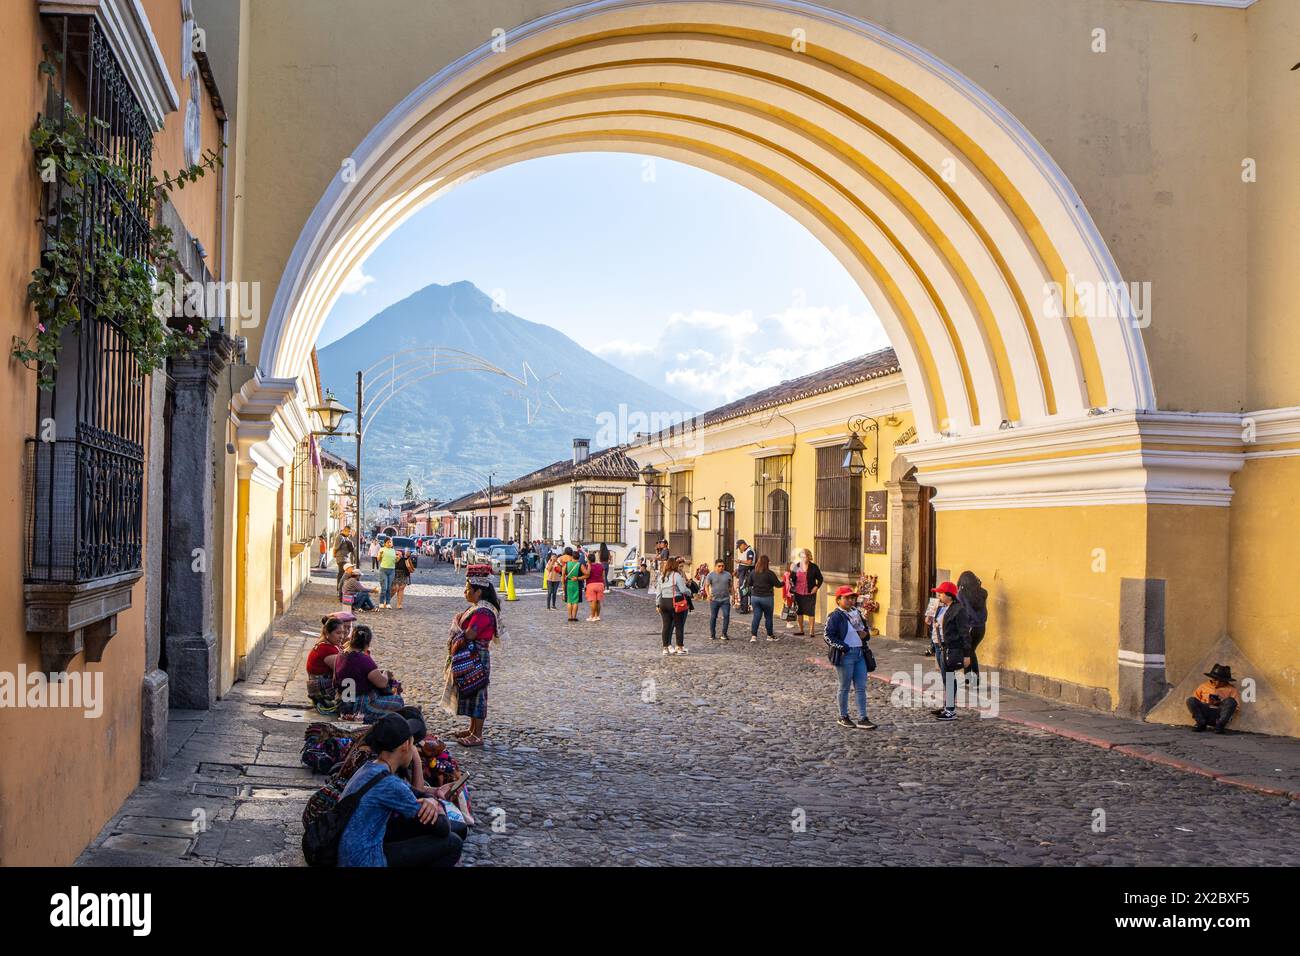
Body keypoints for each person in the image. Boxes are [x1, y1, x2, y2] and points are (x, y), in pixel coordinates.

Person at [336, 713, 463, 868]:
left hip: (354, 849)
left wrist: (432, 797)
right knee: (453, 842)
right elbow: (443, 828)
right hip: (366, 860)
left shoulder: (370, 768)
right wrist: (438, 806)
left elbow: (414, 792)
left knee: (458, 827)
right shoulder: (390, 784)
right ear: (405, 745)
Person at [442, 572, 504, 747]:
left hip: (476, 655)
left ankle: (477, 735)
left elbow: (470, 633)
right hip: (472, 653)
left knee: (478, 694)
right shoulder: (478, 609)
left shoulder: (483, 612)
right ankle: (471, 730)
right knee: (471, 690)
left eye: (468, 589)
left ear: (479, 592)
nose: (465, 592)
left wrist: (457, 634)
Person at [825, 585, 875, 729]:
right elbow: (828, 636)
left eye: (851, 598)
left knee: (861, 687)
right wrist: (843, 647)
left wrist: (865, 635)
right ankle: (843, 715)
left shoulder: (857, 613)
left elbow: (865, 631)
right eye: (846, 598)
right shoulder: (835, 616)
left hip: (859, 653)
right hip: (845, 655)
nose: (850, 600)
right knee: (844, 687)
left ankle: (863, 717)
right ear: (838, 600)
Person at [334, 624, 404, 721]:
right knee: (398, 702)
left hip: (343, 702)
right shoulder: (364, 659)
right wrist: (386, 673)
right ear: (367, 643)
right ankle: (365, 718)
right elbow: (382, 683)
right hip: (358, 704)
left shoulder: (341, 655)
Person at [932, 581, 971, 721]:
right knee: (944, 677)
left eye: (941, 593)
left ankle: (950, 710)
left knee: (949, 677)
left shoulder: (959, 610)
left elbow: (964, 633)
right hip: (940, 646)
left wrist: (967, 654)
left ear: (949, 595)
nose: (939, 595)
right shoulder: (943, 607)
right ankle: (946, 706)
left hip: (952, 648)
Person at [306, 613, 353, 711]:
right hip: (320, 689)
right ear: (327, 632)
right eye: (338, 633)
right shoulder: (326, 648)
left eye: (343, 633)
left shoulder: (329, 644)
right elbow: (344, 668)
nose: (342, 636)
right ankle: (346, 710)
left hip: (320, 685)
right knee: (350, 680)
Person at [656, 556, 694, 655]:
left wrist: (657, 604)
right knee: (679, 625)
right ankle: (679, 647)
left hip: (663, 602)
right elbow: (683, 590)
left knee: (666, 626)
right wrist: (690, 592)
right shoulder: (676, 576)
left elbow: (658, 592)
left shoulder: (662, 577)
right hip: (675, 601)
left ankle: (665, 648)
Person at [956, 570, 988, 688]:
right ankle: (971, 679)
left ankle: (972, 679)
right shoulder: (983, 593)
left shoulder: (962, 594)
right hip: (981, 627)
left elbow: (963, 611)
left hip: (969, 627)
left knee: (968, 652)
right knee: (970, 652)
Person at [1187, 664, 1241, 734]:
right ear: (1211, 678)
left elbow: (1236, 707)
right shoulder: (1203, 686)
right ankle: (1201, 723)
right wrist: (1206, 704)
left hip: (1219, 714)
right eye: (1215, 679)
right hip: (1204, 712)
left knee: (1231, 701)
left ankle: (1219, 725)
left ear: (1226, 680)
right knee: (1191, 700)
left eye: (1221, 681)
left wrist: (1220, 703)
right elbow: (1195, 701)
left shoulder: (1232, 689)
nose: (1217, 683)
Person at [748, 554, 782, 643]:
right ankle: (769, 635)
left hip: (755, 597)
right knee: (768, 617)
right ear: (767, 563)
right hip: (767, 598)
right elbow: (778, 584)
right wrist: (785, 582)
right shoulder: (770, 573)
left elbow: (749, 583)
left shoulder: (753, 572)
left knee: (756, 617)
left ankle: (753, 636)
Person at [791, 548, 824, 637]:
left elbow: (820, 579)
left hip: (810, 592)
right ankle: (801, 630)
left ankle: (811, 631)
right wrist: (791, 586)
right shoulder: (797, 566)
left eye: (804, 557)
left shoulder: (814, 567)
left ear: (809, 557)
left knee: (811, 612)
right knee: (799, 612)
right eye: (801, 557)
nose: (803, 559)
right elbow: (791, 578)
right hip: (798, 592)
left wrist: (816, 587)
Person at [704, 560, 733, 641]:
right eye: (719, 566)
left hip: (725, 599)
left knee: (726, 615)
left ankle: (724, 634)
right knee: (713, 616)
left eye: (723, 566)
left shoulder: (728, 575)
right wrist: (708, 595)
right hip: (714, 600)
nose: (721, 568)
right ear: (715, 566)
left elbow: (731, 586)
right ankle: (712, 634)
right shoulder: (711, 575)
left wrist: (733, 596)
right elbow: (706, 586)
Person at [562, 546, 587, 623]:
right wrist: (578, 578)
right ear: (579, 557)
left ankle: (569, 617)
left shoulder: (567, 564)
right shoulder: (580, 565)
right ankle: (574, 617)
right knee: (575, 601)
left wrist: (563, 585)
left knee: (569, 601)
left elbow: (563, 575)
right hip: (577, 583)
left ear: (572, 557)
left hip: (568, 583)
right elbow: (586, 575)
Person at [334, 527, 356, 600]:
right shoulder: (340, 537)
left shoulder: (346, 538)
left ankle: (342, 591)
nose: (349, 533)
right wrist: (335, 554)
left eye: (350, 532)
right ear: (345, 531)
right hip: (341, 559)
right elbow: (336, 547)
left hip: (346, 559)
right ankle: (339, 591)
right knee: (342, 575)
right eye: (348, 532)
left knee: (344, 575)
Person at [734, 539, 756, 613]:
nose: (739, 549)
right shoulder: (745, 551)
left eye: (739, 547)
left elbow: (749, 562)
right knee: (741, 589)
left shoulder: (749, 551)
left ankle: (744, 608)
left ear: (743, 544)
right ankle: (742, 606)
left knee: (743, 589)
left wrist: (740, 561)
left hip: (746, 572)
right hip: (742, 572)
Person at [585, 552, 607, 622]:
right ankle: (597, 616)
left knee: (593, 601)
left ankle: (592, 616)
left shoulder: (588, 566)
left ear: (589, 560)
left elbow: (586, 575)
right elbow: (603, 576)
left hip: (591, 584)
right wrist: (604, 584)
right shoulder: (600, 566)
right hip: (600, 584)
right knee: (598, 601)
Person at [377, 537, 397, 609]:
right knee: (384, 587)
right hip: (383, 570)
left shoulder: (393, 550)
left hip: (392, 570)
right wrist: (380, 555)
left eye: (391, 542)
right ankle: (381, 602)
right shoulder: (382, 549)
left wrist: (398, 558)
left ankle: (388, 603)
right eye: (388, 542)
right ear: (385, 543)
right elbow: (378, 559)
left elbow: (394, 561)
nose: (389, 543)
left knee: (389, 587)